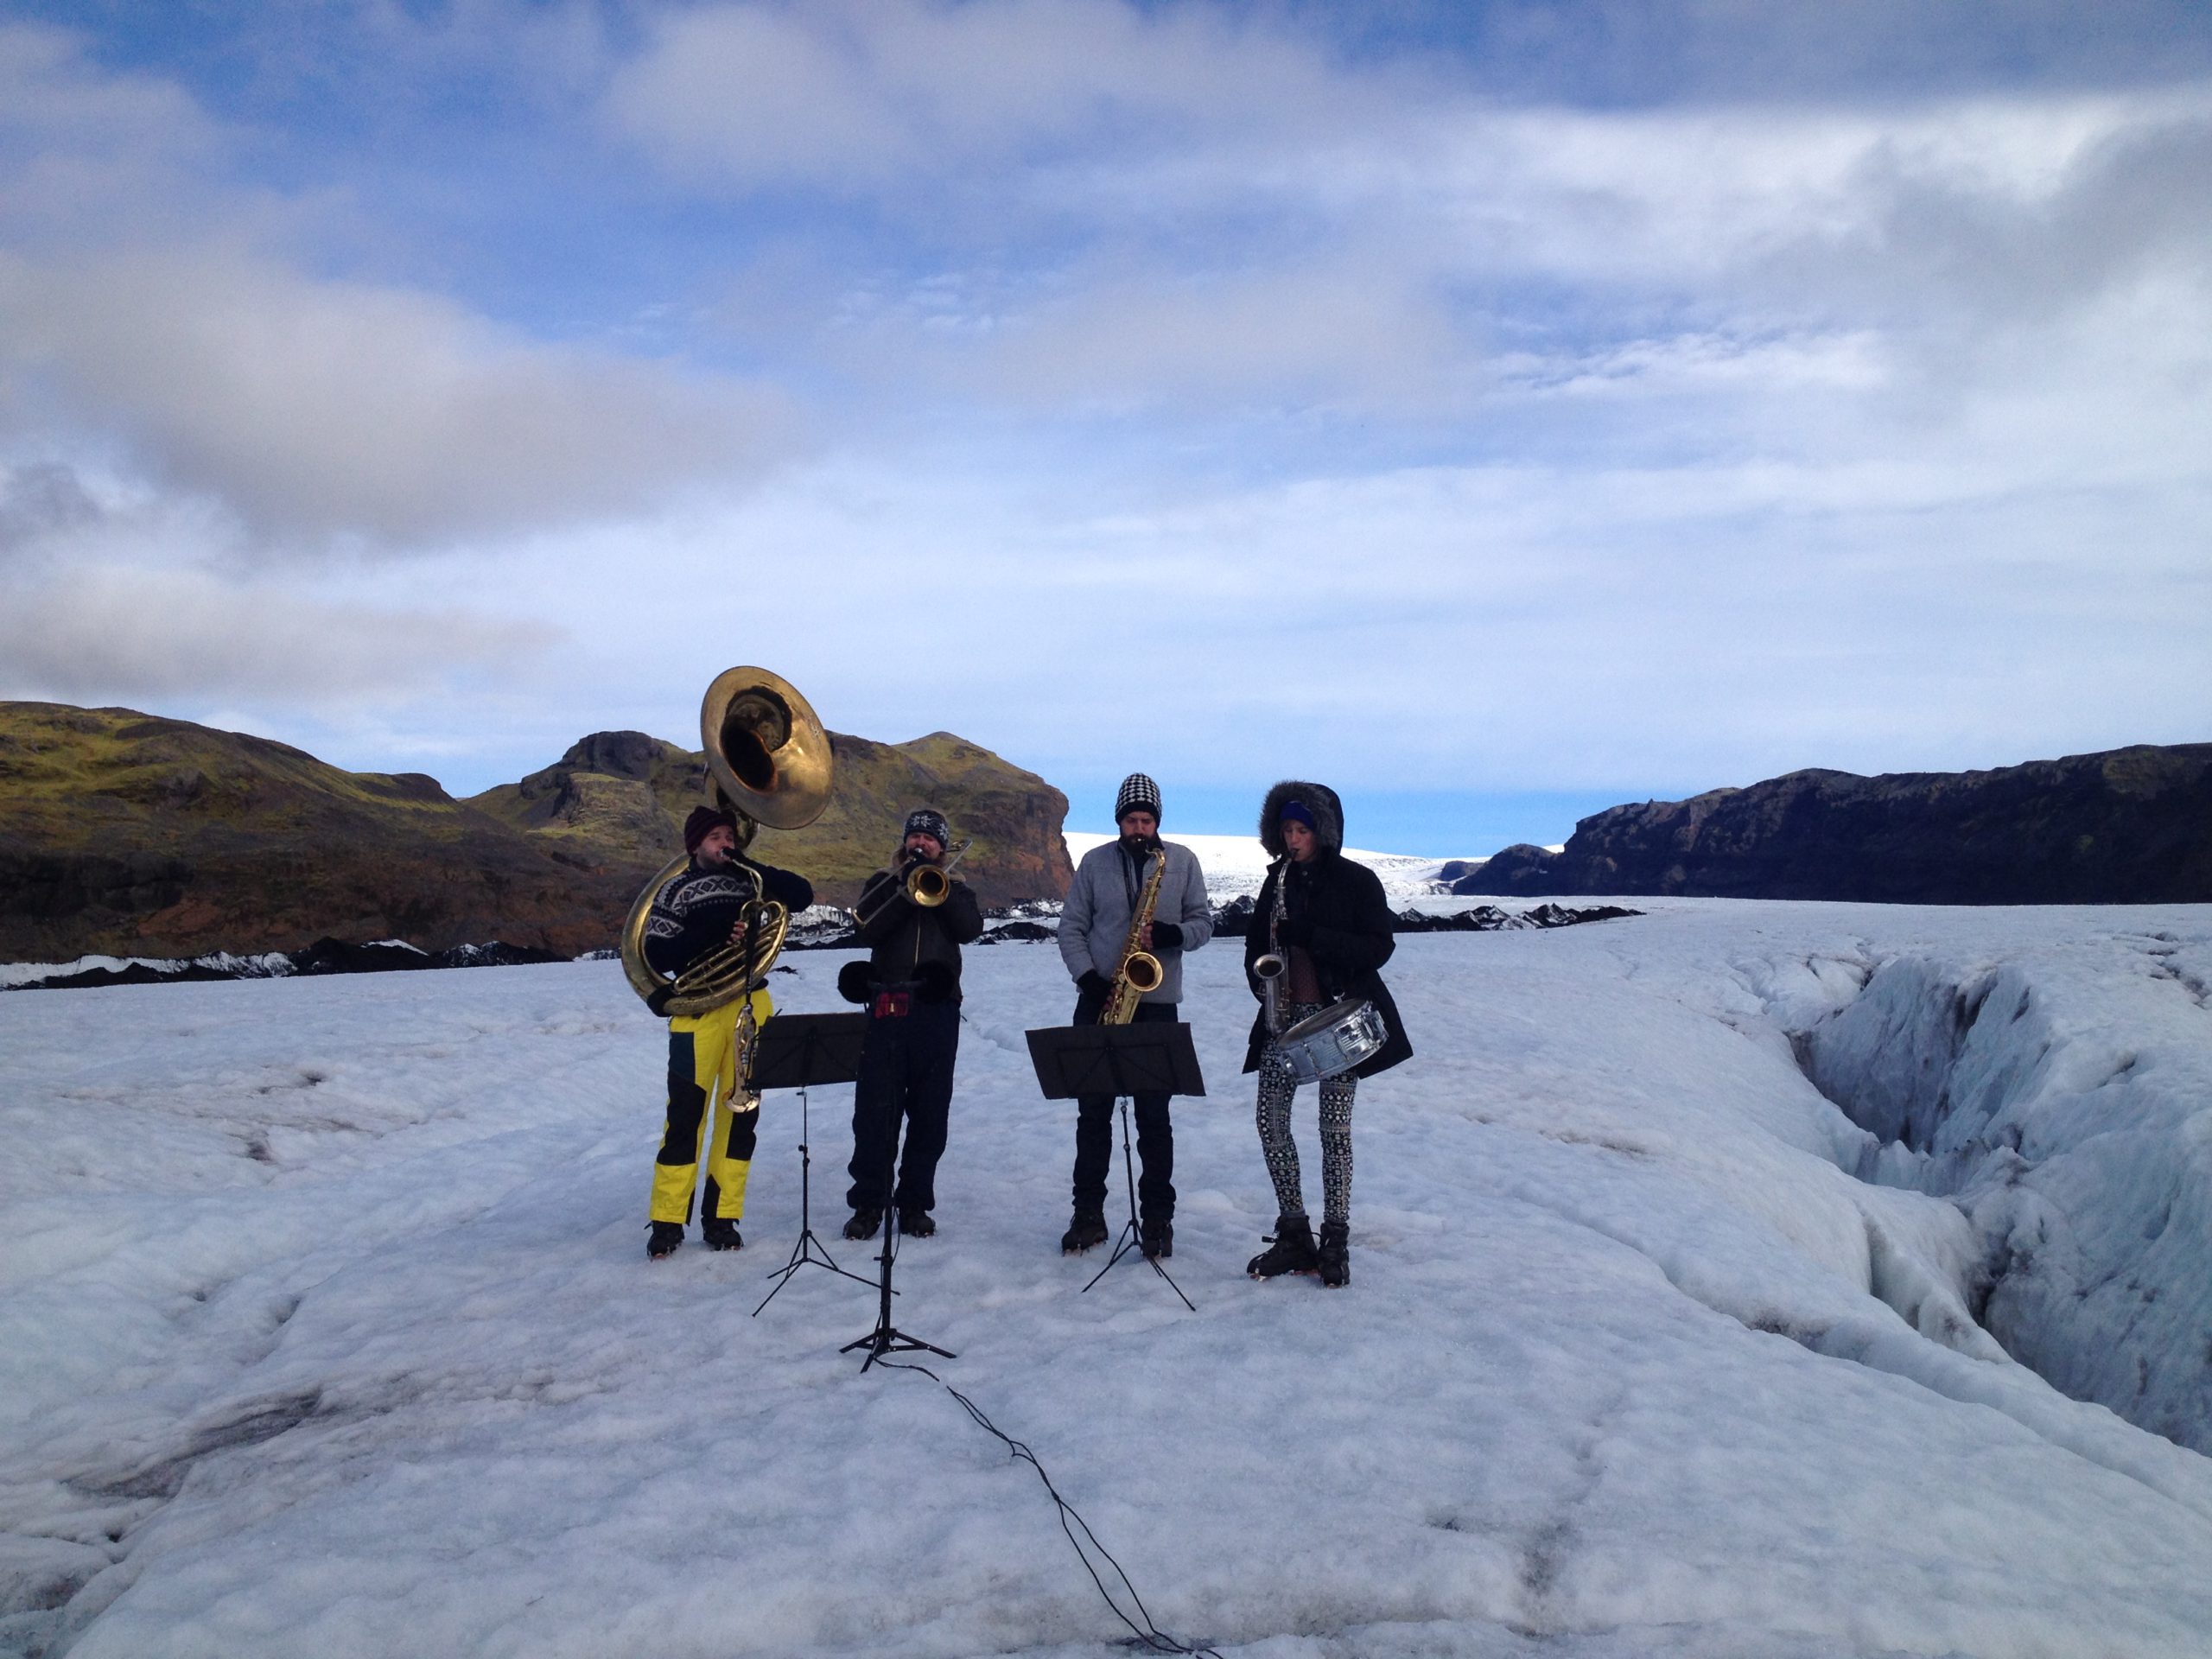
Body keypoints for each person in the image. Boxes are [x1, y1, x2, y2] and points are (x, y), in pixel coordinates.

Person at [1242, 781, 1411, 1287]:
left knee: (1333, 1133)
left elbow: (1379, 947)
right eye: (1286, 830)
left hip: (1339, 1020)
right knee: (1269, 1121)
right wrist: (1261, 984)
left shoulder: (1358, 881)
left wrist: (1312, 937)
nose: (1293, 839)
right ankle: (1295, 1233)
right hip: (1284, 1018)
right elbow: (1255, 948)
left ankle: (1334, 1238)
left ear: (1323, 833)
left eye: (1302, 830)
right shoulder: (1277, 882)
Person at [642, 804, 815, 1260]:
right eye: (716, 837)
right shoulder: (675, 891)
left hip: (750, 1003)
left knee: (741, 1118)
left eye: (729, 836)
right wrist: (716, 931)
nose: (725, 843)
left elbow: (802, 894)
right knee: (684, 1119)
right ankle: (667, 1221)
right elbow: (659, 953)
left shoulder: (749, 881)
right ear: (695, 844)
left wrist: (747, 865)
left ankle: (722, 1217)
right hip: (697, 1014)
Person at [1057, 772, 1213, 1261]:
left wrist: (1172, 936)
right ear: (1119, 820)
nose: (1139, 827)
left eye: (1146, 819)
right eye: (1131, 819)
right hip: (1099, 1001)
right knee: (1093, 1117)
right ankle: (1088, 1215)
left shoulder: (1181, 862)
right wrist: (1088, 979)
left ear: (1157, 821)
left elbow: (1204, 923)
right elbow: (1071, 928)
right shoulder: (1094, 862)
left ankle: (1158, 1220)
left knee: (1155, 1120)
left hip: (1157, 1004)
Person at [836, 808, 983, 1241]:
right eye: (915, 837)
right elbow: (868, 931)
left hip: (937, 1007)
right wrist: (904, 888)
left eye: (931, 839)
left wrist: (944, 890)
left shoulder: (957, 887)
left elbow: (969, 929)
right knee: (875, 1110)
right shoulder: (883, 883)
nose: (922, 844)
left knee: (930, 1110)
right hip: (887, 1000)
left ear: (942, 847)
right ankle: (868, 1203)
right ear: (905, 843)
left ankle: (915, 1203)